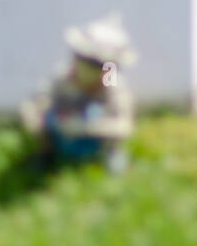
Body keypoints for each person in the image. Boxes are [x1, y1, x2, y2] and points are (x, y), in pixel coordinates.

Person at [22, 17, 136, 174]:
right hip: (62, 133)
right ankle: (47, 155)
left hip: (96, 136)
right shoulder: (62, 78)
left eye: (97, 64)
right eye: (83, 58)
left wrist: (87, 126)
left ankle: (111, 155)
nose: (87, 67)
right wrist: (40, 122)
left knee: (97, 115)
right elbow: (36, 103)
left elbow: (124, 124)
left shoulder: (112, 84)